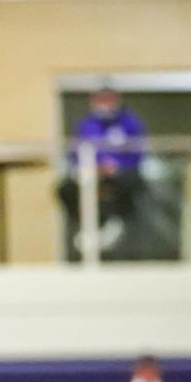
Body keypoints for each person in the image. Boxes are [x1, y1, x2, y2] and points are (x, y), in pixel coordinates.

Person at [58, 87, 148, 256]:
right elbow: (74, 153)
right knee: (65, 189)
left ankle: (116, 224)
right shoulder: (86, 124)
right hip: (91, 173)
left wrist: (116, 165)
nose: (104, 105)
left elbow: (137, 153)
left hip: (121, 174)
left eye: (107, 100)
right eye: (100, 101)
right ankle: (90, 227)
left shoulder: (130, 123)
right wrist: (93, 166)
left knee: (128, 187)